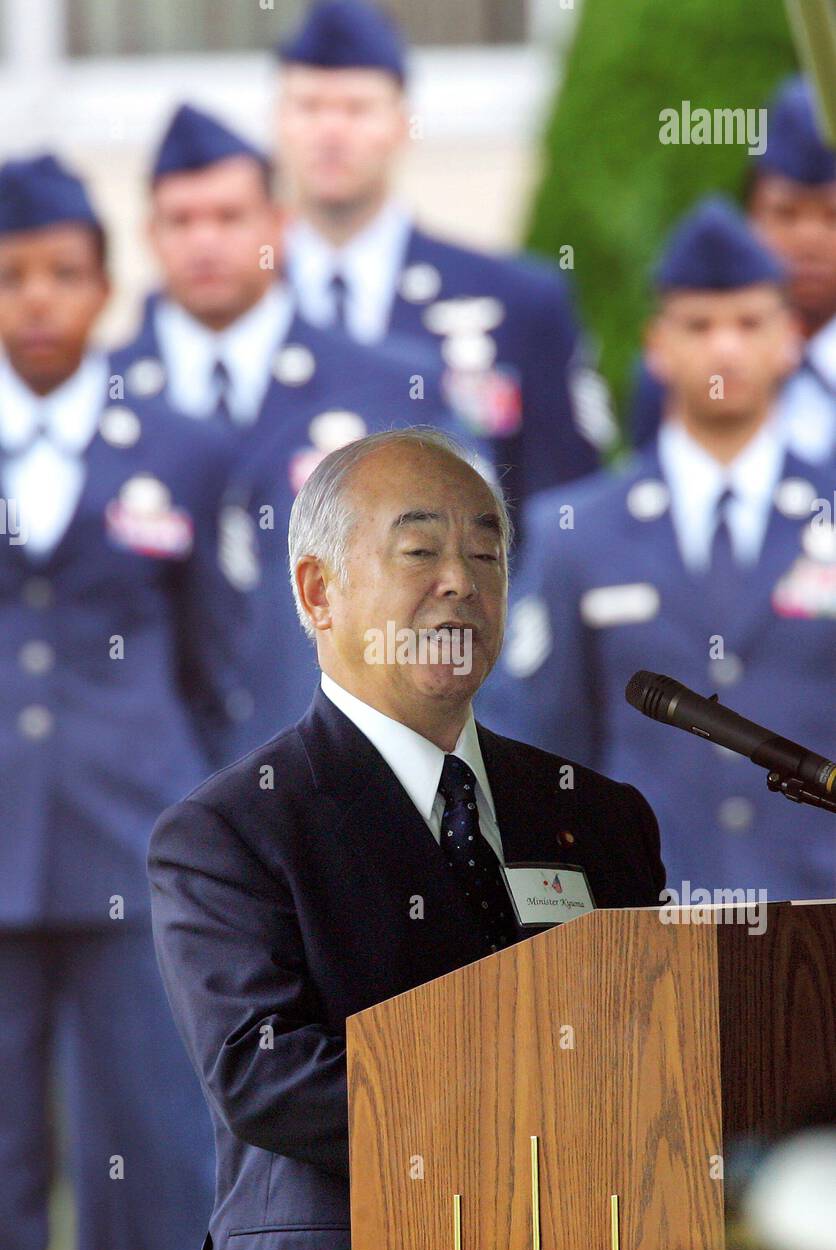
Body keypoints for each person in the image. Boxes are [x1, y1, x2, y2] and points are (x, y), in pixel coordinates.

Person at [148, 425, 665, 1250]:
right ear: (319, 593)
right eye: (419, 550)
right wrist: (535, 1110)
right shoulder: (230, 832)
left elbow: (658, 1033)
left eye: (487, 556)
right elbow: (270, 1078)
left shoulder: (598, 814)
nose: (460, 582)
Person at [0, 155, 248, 1250]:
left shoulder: (179, 447)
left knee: (150, 1142)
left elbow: (216, 659)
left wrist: (196, 808)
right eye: (12, 277)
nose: (38, 299)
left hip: (130, 848)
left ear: (106, 289)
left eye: (63, 274)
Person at [478, 198, 836, 904]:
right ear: (656, 344)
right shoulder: (578, 529)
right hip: (647, 930)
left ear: (790, 338)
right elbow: (546, 750)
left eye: (748, 322)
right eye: (699, 325)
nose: (724, 348)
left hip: (821, 924)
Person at [113, 101, 484, 752]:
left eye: (229, 217)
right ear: (150, 236)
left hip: (340, 787)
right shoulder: (98, 404)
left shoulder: (386, 392)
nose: (205, 241)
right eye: (181, 220)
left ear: (279, 225)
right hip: (148, 804)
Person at [274, 0, 611, 521]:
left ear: (404, 123)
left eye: (357, 108)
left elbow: (564, 506)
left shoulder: (514, 302)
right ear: (279, 122)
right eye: (310, 106)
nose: (331, 131)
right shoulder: (240, 299)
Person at [632, 76, 836, 464]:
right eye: (785, 213)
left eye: (832, 216)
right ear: (752, 216)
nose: (809, 243)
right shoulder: (682, 368)